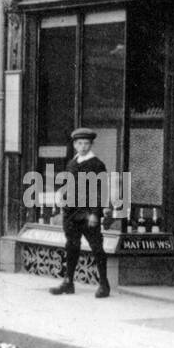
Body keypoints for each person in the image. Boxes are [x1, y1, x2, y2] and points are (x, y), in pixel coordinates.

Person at [48, 127, 112, 298]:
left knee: (96, 247)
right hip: (71, 213)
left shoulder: (97, 164)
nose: (83, 146)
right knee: (71, 246)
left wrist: (94, 213)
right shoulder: (71, 163)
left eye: (86, 143)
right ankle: (68, 282)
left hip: (88, 213)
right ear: (75, 145)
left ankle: (104, 284)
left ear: (91, 144)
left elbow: (101, 191)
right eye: (80, 143)